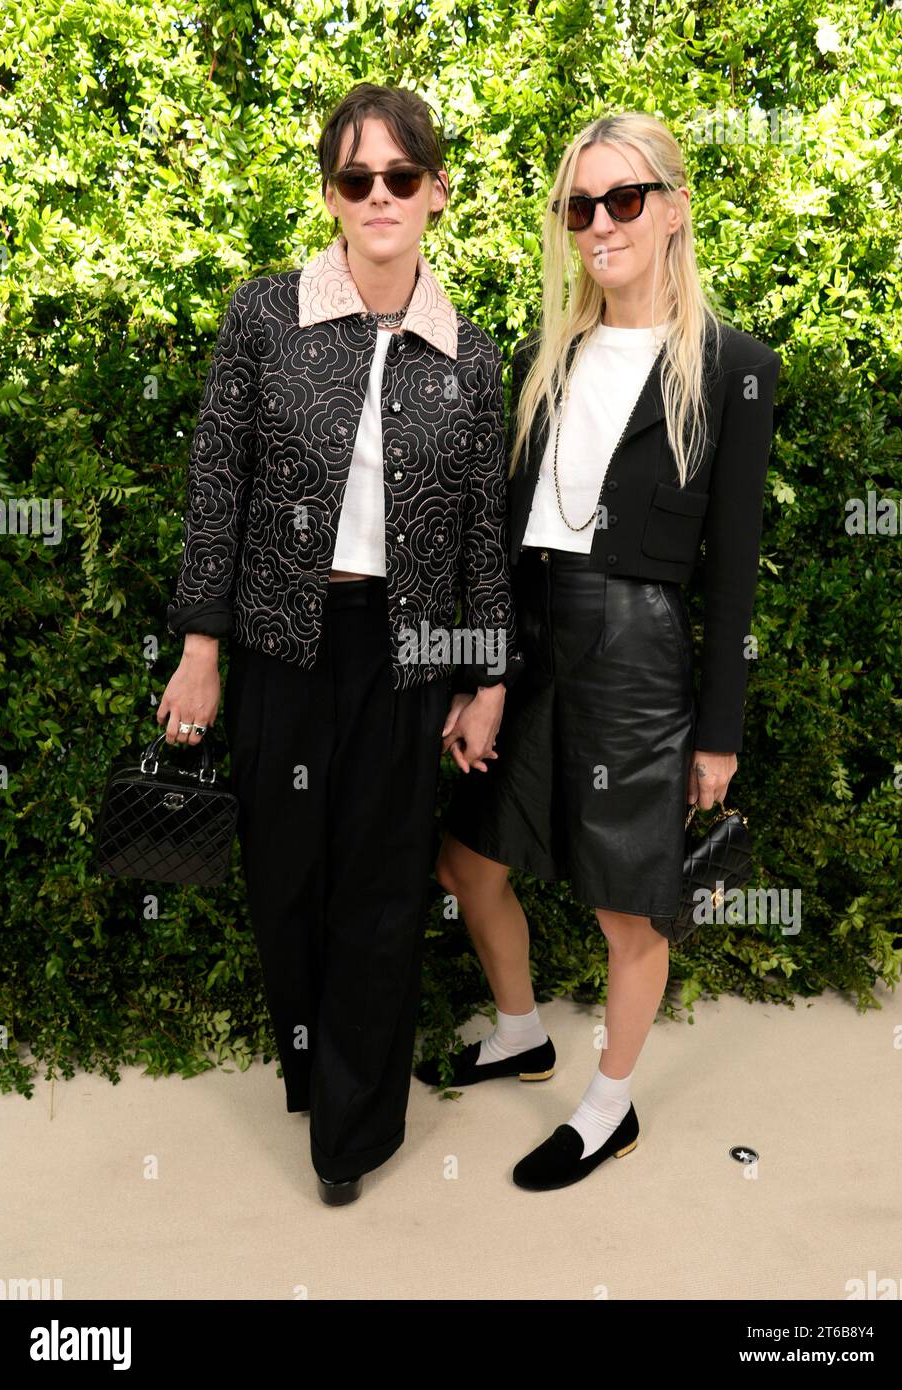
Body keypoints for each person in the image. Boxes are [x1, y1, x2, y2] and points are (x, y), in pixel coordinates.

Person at [158, 82, 524, 1206]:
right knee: (285, 877)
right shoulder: (264, 314)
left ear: (435, 195)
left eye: (400, 177)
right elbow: (217, 484)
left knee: (379, 889)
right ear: (330, 194)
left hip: (403, 652)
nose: (379, 196)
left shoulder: (468, 351)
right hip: (278, 640)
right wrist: (200, 646)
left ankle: (350, 1137)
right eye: (357, 177)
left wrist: (487, 677)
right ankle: (314, 1070)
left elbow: (480, 535)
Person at [418, 111, 782, 1192]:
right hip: (532, 638)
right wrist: (483, 674)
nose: (600, 224)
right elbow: (494, 542)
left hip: (636, 652)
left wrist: (716, 733)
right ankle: (522, 1031)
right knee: (466, 860)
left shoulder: (731, 368)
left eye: (623, 199)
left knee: (629, 903)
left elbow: (732, 568)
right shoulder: (543, 354)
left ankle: (609, 1105)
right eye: (581, 206)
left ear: (671, 210)